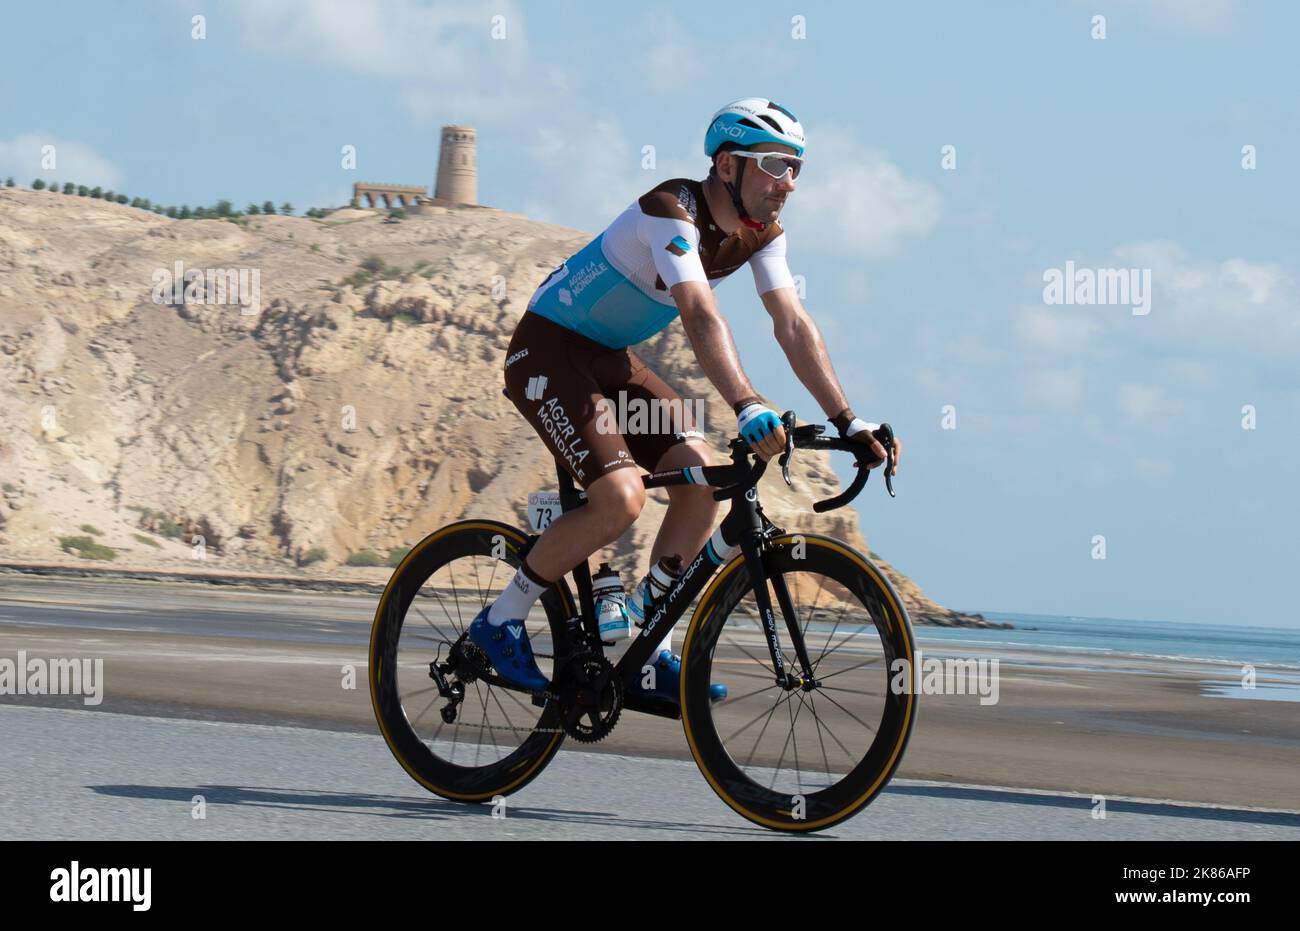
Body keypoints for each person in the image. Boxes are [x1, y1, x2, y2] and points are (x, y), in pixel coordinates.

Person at [470, 98, 902, 701]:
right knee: (619, 498)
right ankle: (498, 623)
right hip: (547, 353)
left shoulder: (762, 235)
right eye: (775, 165)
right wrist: (748, 403)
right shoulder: (672, 210)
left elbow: (792, 323)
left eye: (797, 167)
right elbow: (700, 313)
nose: (790, 183)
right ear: (727, 165)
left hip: (609, 360)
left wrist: (848, 420)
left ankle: (647, 648)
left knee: (700, 483)